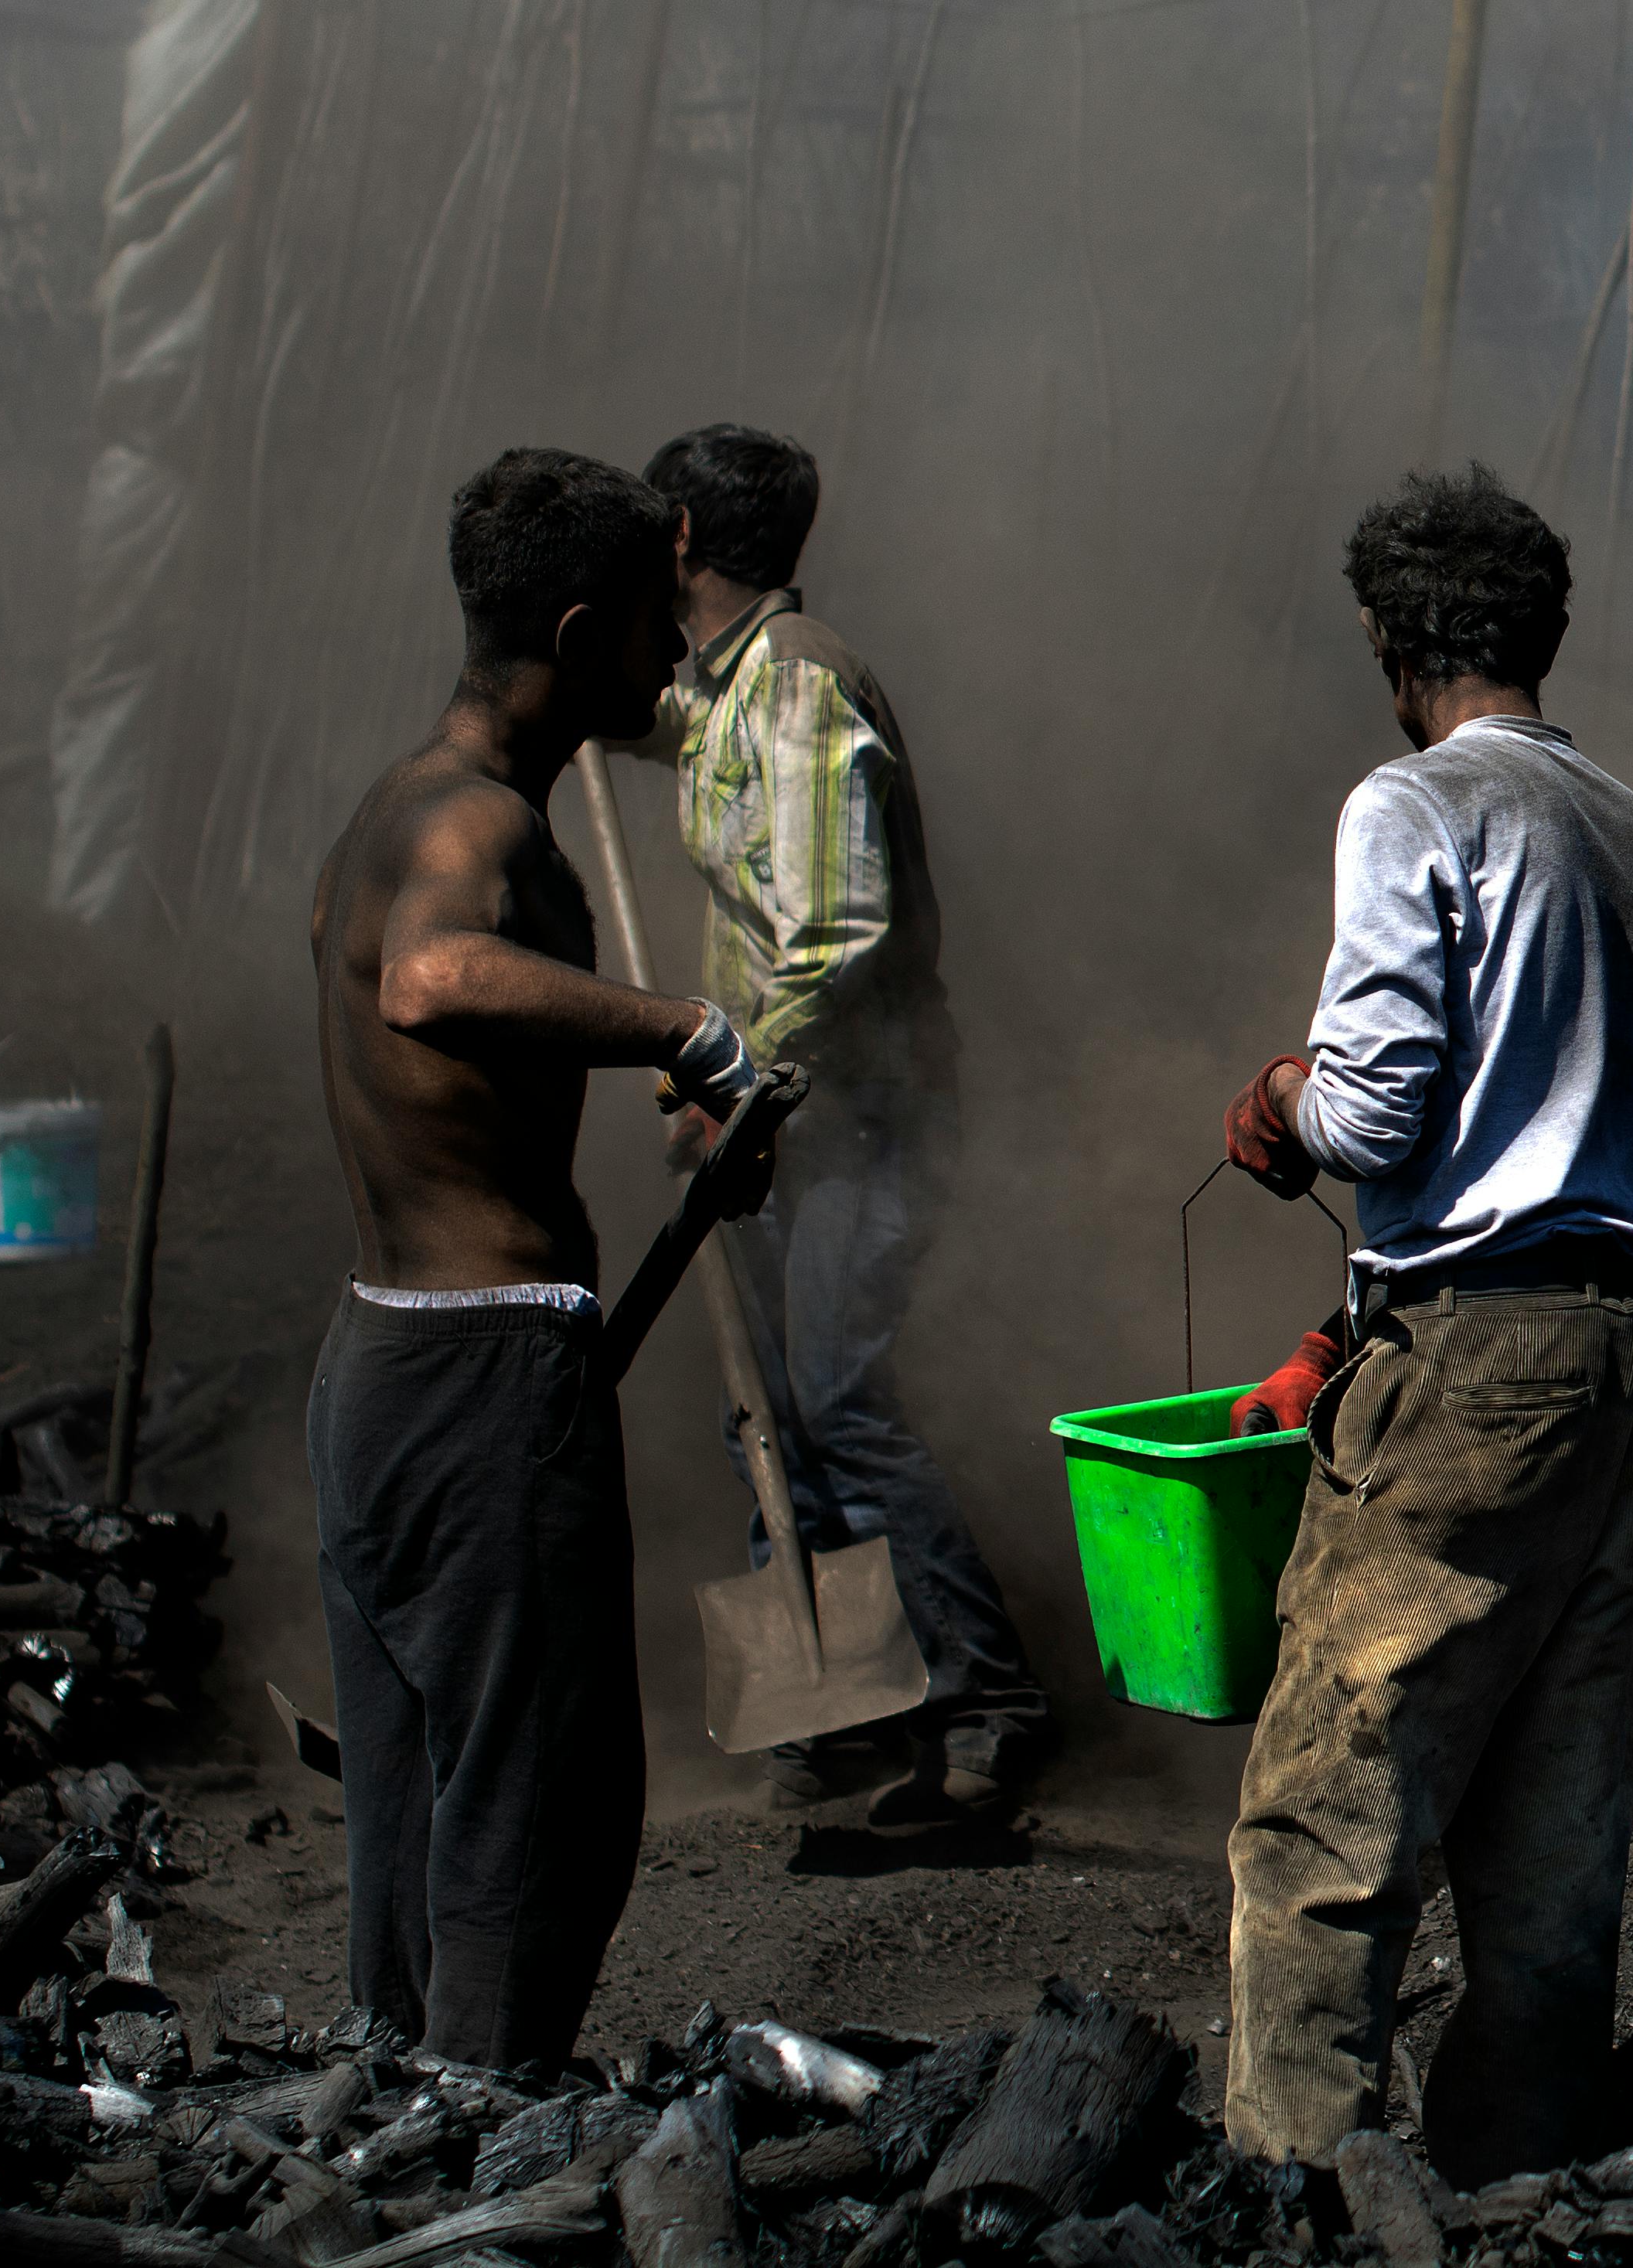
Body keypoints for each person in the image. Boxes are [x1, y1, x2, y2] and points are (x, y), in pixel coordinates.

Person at [1215, 465, 1633, 2182]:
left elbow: (1377, 1113)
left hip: (1489, 1361)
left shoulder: (1414, 804)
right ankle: (1522, 2186)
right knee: (1557, 1826)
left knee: (1330, 1802)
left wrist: (1285, 1098)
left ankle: (1296, 2193)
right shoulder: (1620, 822)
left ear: (1387, 639)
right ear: (1540, 632)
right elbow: (1569, 1125)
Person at [306, 446, 760, 2070]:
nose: (670, 659)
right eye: (652, 625)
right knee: (541, 1796)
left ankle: (398, 2129)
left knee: (434, 1795)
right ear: (575, 633)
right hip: (476, 1368)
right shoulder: (473, 827)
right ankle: (486, 2135)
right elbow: (432, 980)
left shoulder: (402, 805)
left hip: (400, 1358)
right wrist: (686, 1032)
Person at [618, 424, 1048, 1815]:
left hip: (853, 1115)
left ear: (679, 535)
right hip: (780, 1123)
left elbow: (834, 934)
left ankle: (991, 1696)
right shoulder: (740, 689)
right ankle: (845, 1703)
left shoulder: (800, 691)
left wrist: (725, 1080)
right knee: (777, 1410)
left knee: (838, 1393)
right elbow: (692, 739)